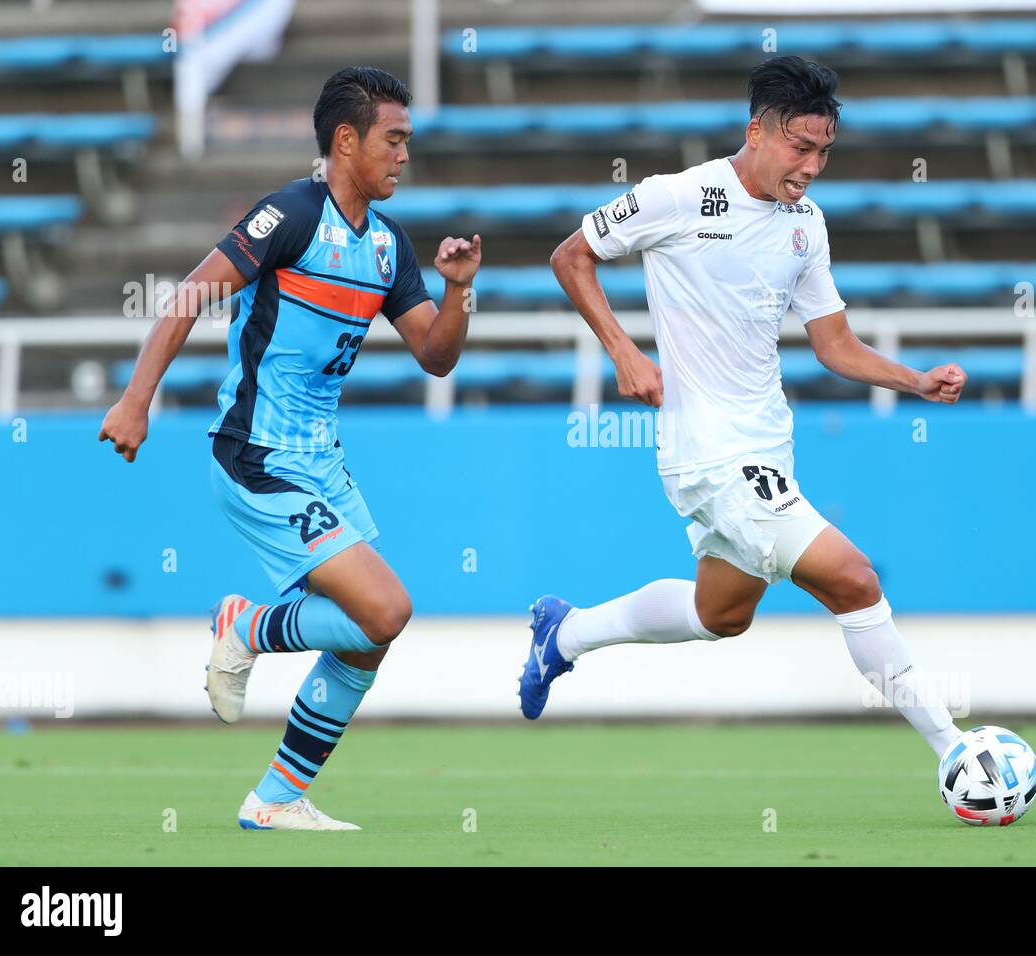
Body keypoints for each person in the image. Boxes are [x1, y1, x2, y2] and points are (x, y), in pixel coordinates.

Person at [521, 56, 966, 763]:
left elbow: (835, 344)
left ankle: (565, 634)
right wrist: (624, 352)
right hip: (710, 452)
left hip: (766, 447)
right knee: (854, 578)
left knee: (719, 614)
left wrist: (915, 381)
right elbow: (570, 256)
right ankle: (957, 752)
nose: (812, 165)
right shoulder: (680, 196)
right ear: (756, 129)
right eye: (800, 147)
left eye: (824, 151)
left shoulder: (806, 225)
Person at [99, 67, 481, 830]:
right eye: (394, 139)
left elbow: (435, 358)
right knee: (386, 609)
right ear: (348, 141)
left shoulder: (387, 248)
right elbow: (189, 297)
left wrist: (459, 292)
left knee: (370, 637)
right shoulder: (293, 215)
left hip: (322, 463)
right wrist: (136, 397)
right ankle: (243, 627)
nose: (405, 154)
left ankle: (275, 800)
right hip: (258, 455)